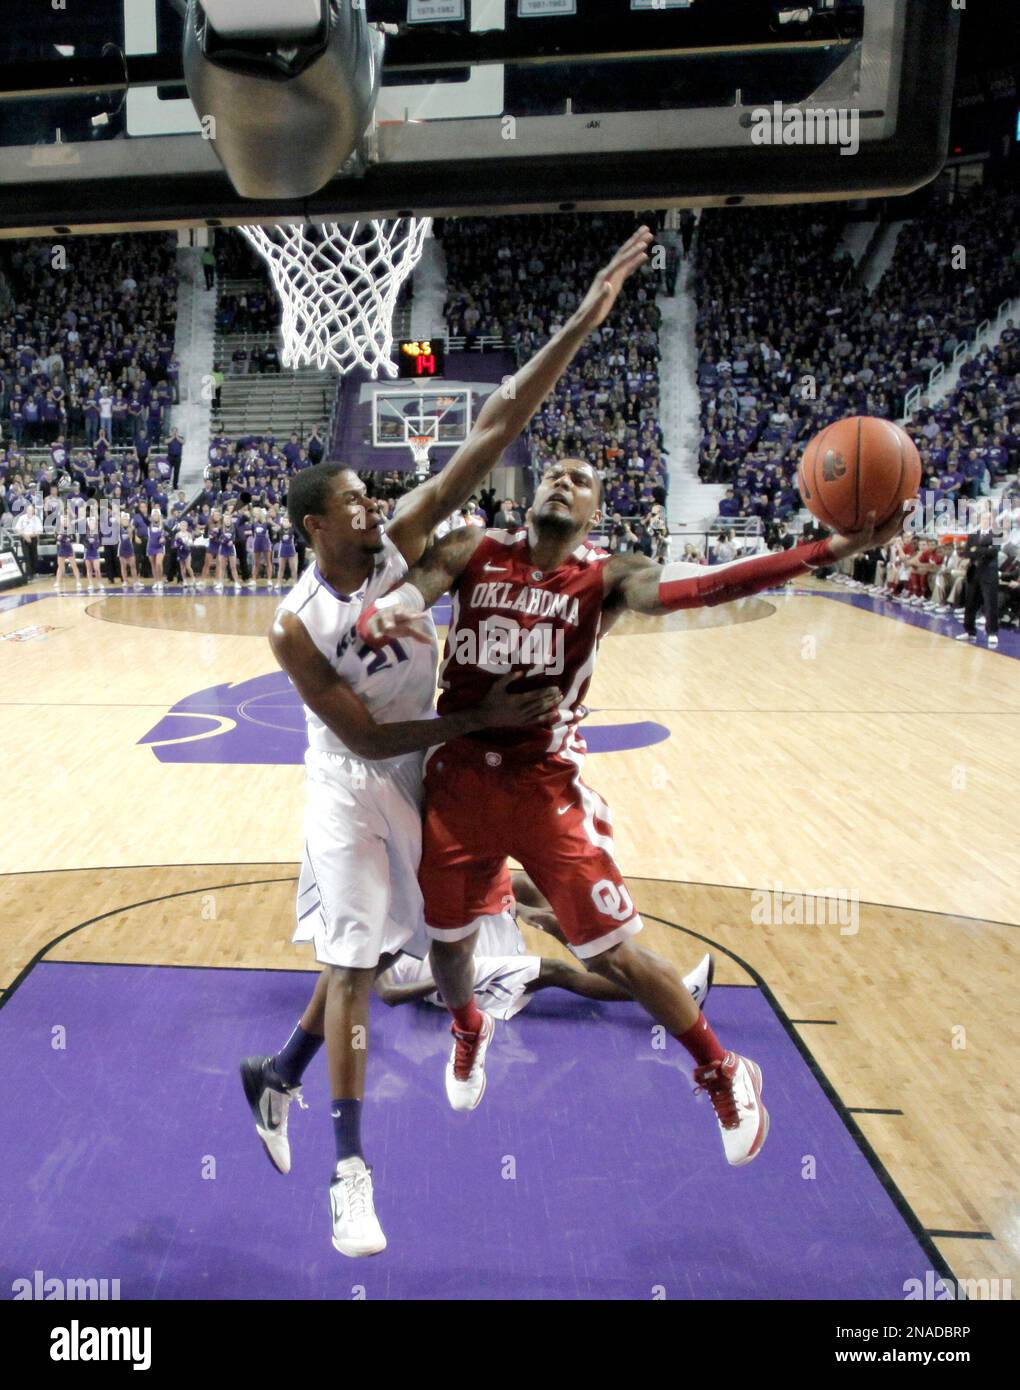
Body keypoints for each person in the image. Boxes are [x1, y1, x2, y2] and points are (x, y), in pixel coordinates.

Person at [239, 227, 658, 1259]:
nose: (373, 505)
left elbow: (499, 417)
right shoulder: (294, 624)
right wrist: (476, 720)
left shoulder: (404, 537)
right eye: (353, 502)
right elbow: (360, 726)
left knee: (395, 942)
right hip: (352, 781)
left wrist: (583, 318)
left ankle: (277, 1075)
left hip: (429, 775)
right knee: (353, 960)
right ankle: (349, 1173)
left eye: (372, 498)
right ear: (313, 526)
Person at [358, 455, 903, 1168]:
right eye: (555, 473)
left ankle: (720, 1069)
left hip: (542, 784)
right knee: (451, 946)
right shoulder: (473, 548)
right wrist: (387, 615)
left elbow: (708, 586)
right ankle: (468, 1029)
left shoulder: (610, 577)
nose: (563, 481)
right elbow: (407, 596)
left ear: (594, 516)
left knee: (609, 948)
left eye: (582, 482)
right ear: (530, 497)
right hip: (457, 776)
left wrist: (828, 550)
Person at [375, 871, 715, 1020]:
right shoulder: (376, 928)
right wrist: (451, 980)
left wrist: (521, 908)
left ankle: (563, 927)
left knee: (515, 882)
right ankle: (679, 995)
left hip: (466, 948)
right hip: (448, 979)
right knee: (555, 971)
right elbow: (389, 995)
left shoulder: (412, 889)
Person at [956, 508, 1001, 648]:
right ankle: (969, 631)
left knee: (990, 603)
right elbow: (967, 553)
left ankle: (992, 633)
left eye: (988, 519)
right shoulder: (973, 534)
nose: (985, 521)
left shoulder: (998, 533)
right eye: (983, 518)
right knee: (970, 603)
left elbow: (994, 551)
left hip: (989, 573)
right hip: (974, 572)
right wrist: (981, 550)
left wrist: (977, 550)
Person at [13, 503, 41, 579]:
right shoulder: (22, 518)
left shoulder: (36, 519)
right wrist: (25, 536)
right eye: (28, 510)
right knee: (27, 556)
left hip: (33, 538)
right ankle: (29, 574)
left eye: (31, 510)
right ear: (26, 510)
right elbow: (17, 529)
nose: (30, 511)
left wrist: (29, 536)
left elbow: (38, 531)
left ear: (33, 511)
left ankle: (35, 572)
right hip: (24, 539)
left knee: (34, 556)